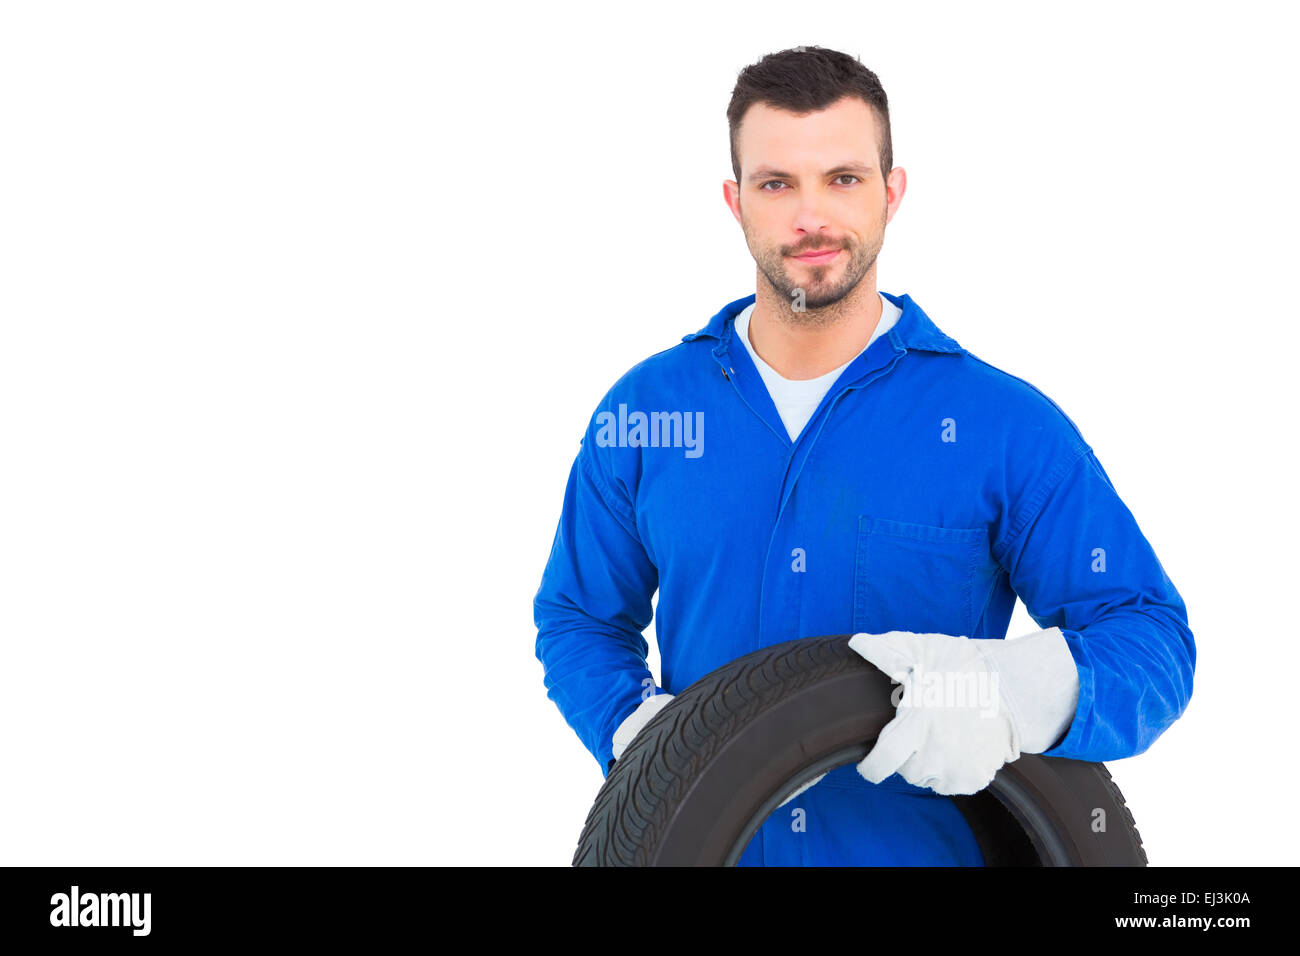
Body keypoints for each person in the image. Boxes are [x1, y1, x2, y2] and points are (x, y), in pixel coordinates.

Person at [532, 45, 1195, 866]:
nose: (812, 217)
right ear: (736, 202)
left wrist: (1002, 694)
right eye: (778, 184)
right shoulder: (646, 413)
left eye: (843, 178)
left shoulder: (1000, 425)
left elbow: (1150, 642)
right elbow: (578, 617)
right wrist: (645, 736)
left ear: (893, 191)